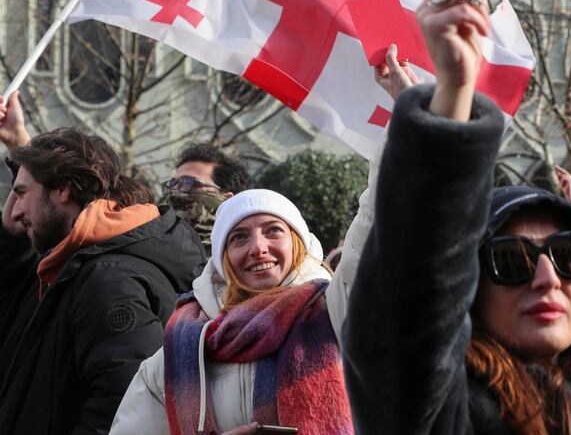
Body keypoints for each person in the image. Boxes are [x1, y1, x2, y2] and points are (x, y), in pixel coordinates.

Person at [342, 0, 571, 434]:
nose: (547, 277)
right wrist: (454, 93)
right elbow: (405, 319)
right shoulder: (444, 418)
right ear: (468, 290)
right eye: (511, 260)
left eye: (569, 254)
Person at [0, 124, 207, 434]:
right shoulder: (70, 268)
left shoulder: (108, 280)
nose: (16, 211)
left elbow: (124, 407)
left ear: (63, 190)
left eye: (22, 194)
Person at [110, 188, 354, 435]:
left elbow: (376, 230)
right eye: (239, 237)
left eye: (273, 231)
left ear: (298, 243)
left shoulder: (339, 312)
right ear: (222, 259)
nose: (258, 247)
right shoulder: (174, 357)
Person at [162, 142, 252, 249]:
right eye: (172, 184)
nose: (174, 191)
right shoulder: (152, 243)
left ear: (226, 200)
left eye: (187, 182)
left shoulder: (238, 258)